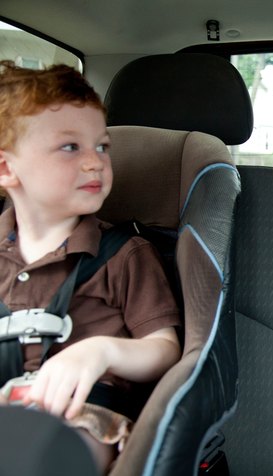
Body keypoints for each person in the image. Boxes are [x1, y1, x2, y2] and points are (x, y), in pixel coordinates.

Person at [0, 61, 181, 472]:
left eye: (102, 146)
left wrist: (101, 351)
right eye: (70, 147)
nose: (94, 162)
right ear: (7, 168)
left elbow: (166, 350)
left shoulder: (124, 253)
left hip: (87, 416)